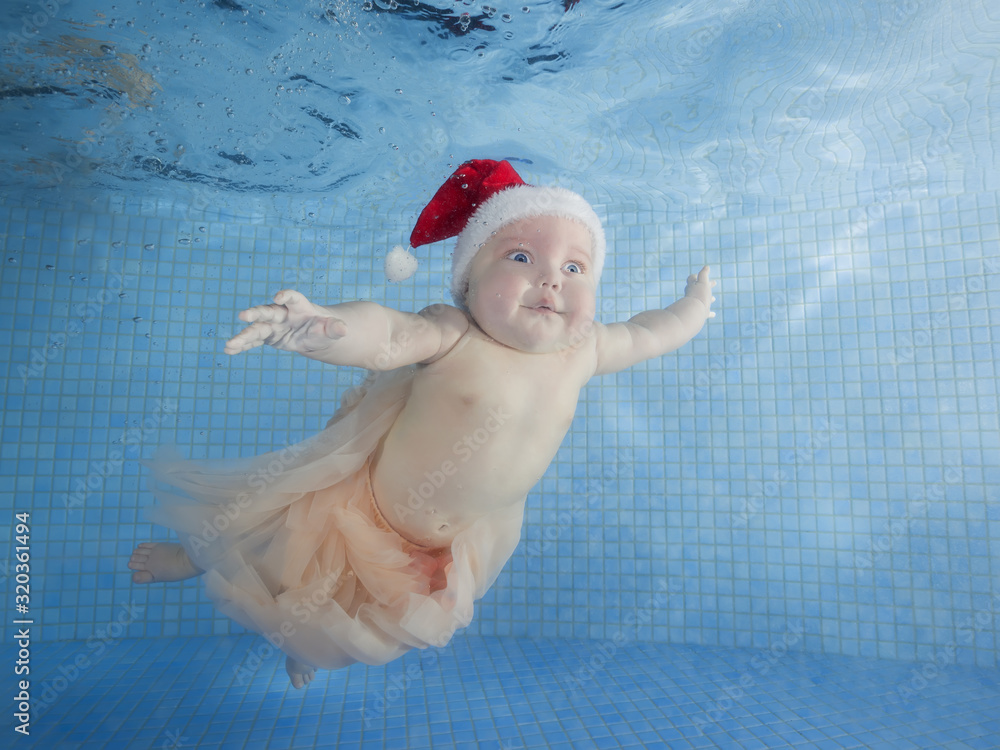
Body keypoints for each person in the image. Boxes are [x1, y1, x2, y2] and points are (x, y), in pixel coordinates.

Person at [128, 159, 716, 688]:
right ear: (469, 280)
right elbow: (385, 335)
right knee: (267, 551)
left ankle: (306, 645)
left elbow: (648, 334)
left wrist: (691, 309)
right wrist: (317, 327)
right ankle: (190, 559)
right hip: (362, 511)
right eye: (520, 257)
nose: (551, 279)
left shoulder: (584, 349)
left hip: (454, 540)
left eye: (574, 266)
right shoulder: (455, 335)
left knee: (351, 624)